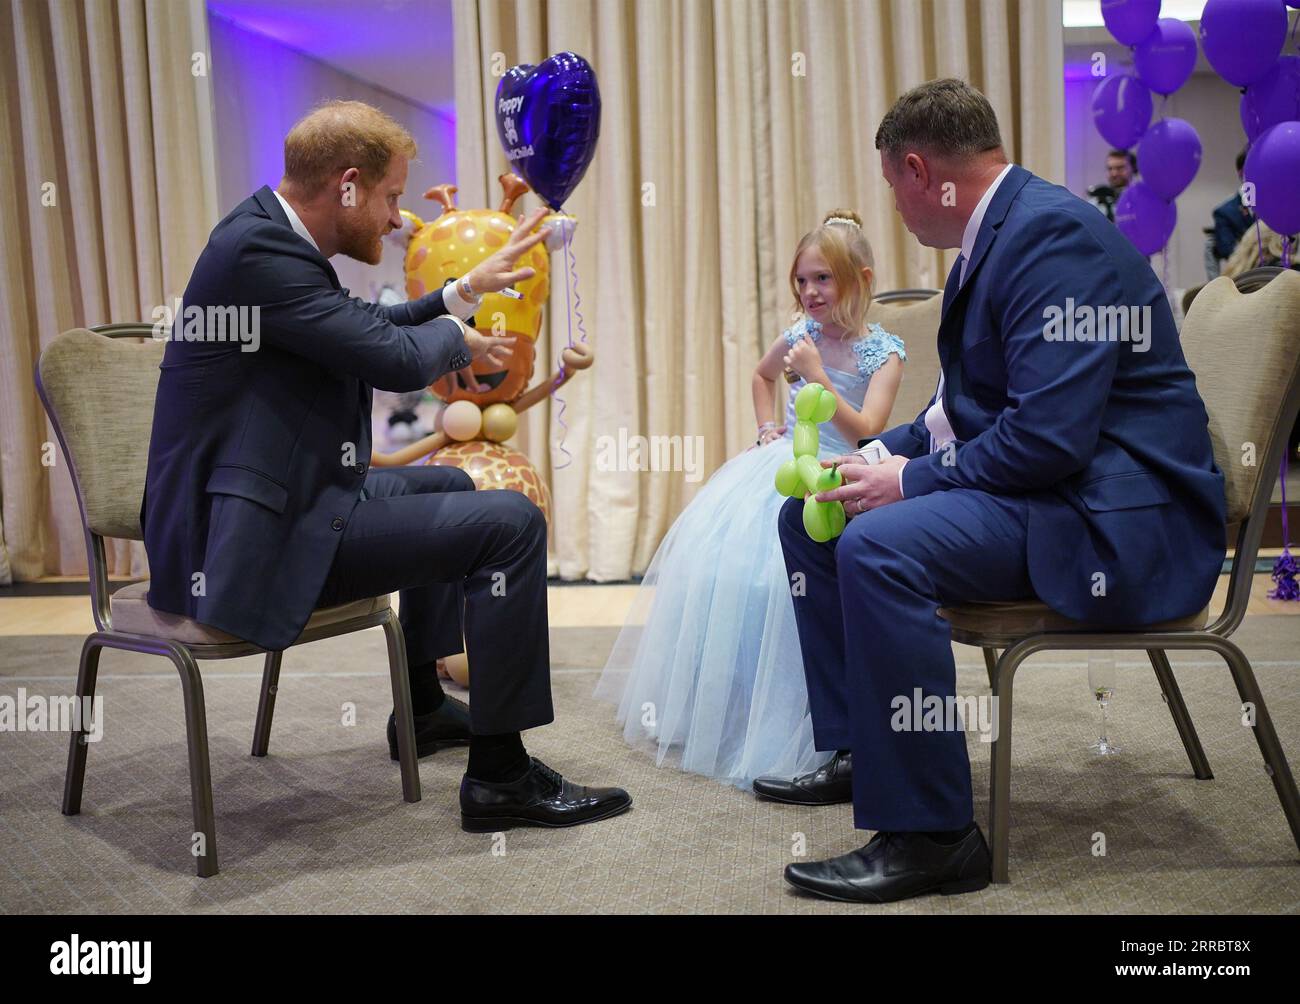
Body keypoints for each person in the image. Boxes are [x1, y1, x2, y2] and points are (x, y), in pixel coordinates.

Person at [772, 79, 1225, 903]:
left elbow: (1048, 439)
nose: (898, 210)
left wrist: (907, 481)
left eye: (892, 187)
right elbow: (964, 413)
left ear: (917, 170)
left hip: (1114, 520)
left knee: (877, 544)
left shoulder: (1052, 240)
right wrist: (874, 455)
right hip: (1060, 488)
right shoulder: (1002, 235)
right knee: (813, 519)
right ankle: (862, 752)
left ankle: (934, 836)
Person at [141, 99, 631, 831]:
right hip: (243, 545)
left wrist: (460, 294)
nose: (397, 219)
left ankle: (424, 710)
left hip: (279, 504)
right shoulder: (260, 254)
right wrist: (457, 339)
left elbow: (362, 327)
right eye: (392, 196)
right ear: (347, 185)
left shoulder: (269, 237)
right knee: (510, 522)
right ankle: (501, 778)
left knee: (451, 480)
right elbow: (392, 359)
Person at [595, 210, 904, 789]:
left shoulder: (883, 353)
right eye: (802, 280)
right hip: (781, 469)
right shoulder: (798, 336)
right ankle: (735, 717)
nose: (809, 293)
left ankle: (817, 728)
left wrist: (818, 379)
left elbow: (869, 430)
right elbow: (761, 377)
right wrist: (768, 429)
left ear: (860, 279)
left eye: (823, 279)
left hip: (841, 472)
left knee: (795, 589)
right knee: (725, 574)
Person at [1211, 150, 1255, 267]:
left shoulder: (1275, 206)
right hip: (1249, 276)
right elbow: (1228, 251)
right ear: (1241, 173)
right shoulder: (1225, 213)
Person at [1087, 148, 1136, 222]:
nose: (1114, 174)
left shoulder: (1142, 199)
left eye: (1120, 168)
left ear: (1134, 168)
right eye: (1110, 169)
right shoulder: (1095, 203)